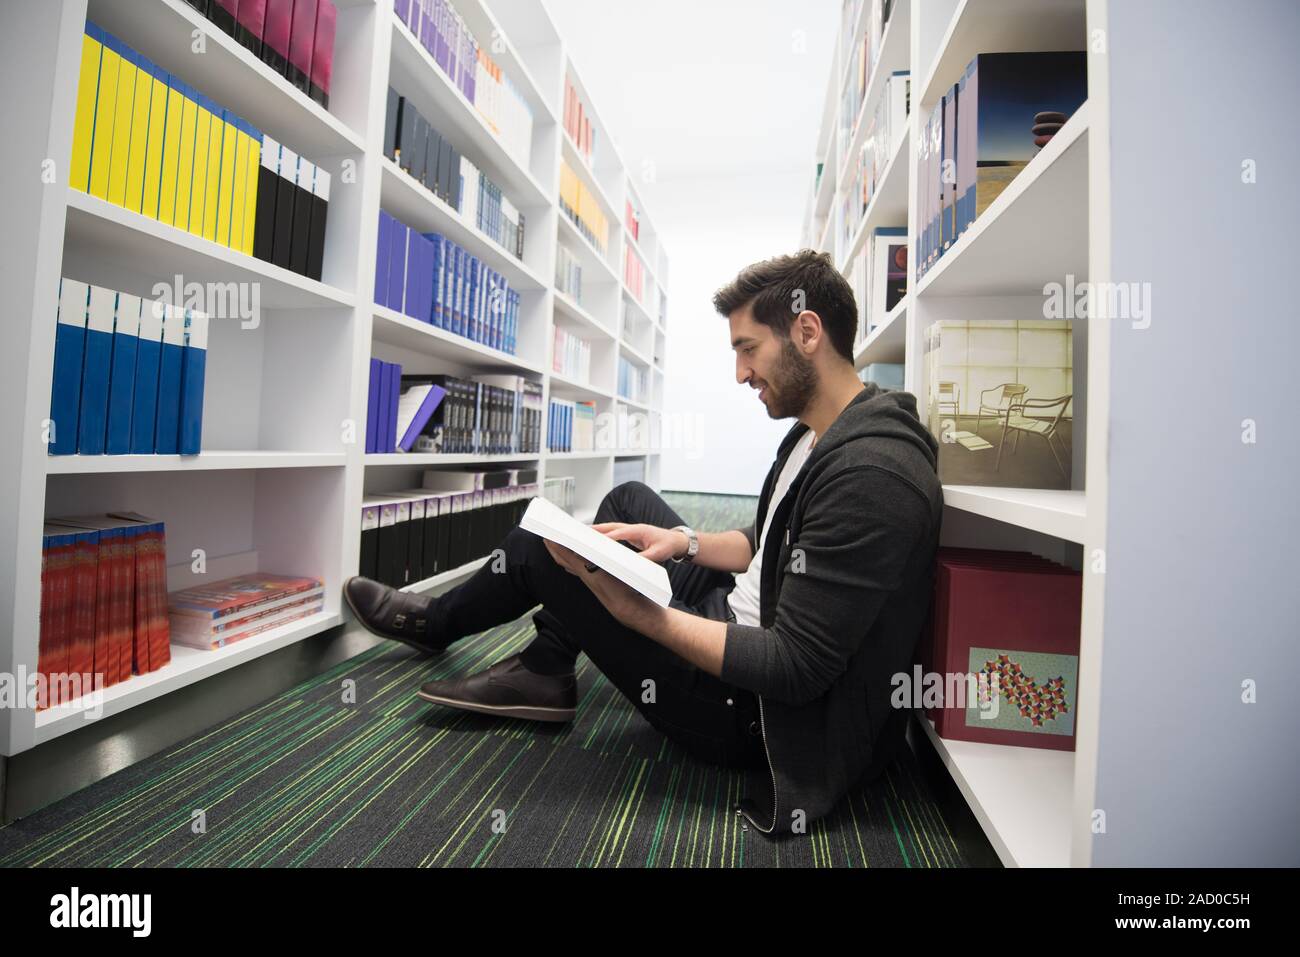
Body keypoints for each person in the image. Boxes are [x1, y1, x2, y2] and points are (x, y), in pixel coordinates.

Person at [344, 249, 942, 835]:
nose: (740, 374)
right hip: (736, 611)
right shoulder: (819, 434)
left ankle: (438, 625)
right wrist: (680, 541)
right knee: (628, 505)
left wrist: (647, 617)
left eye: (748, 349)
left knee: (540, 547)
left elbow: (794, 668)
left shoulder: (871, 477)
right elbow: (765, 541)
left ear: (807, 331)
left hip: (750, 710)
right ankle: (548, 665)